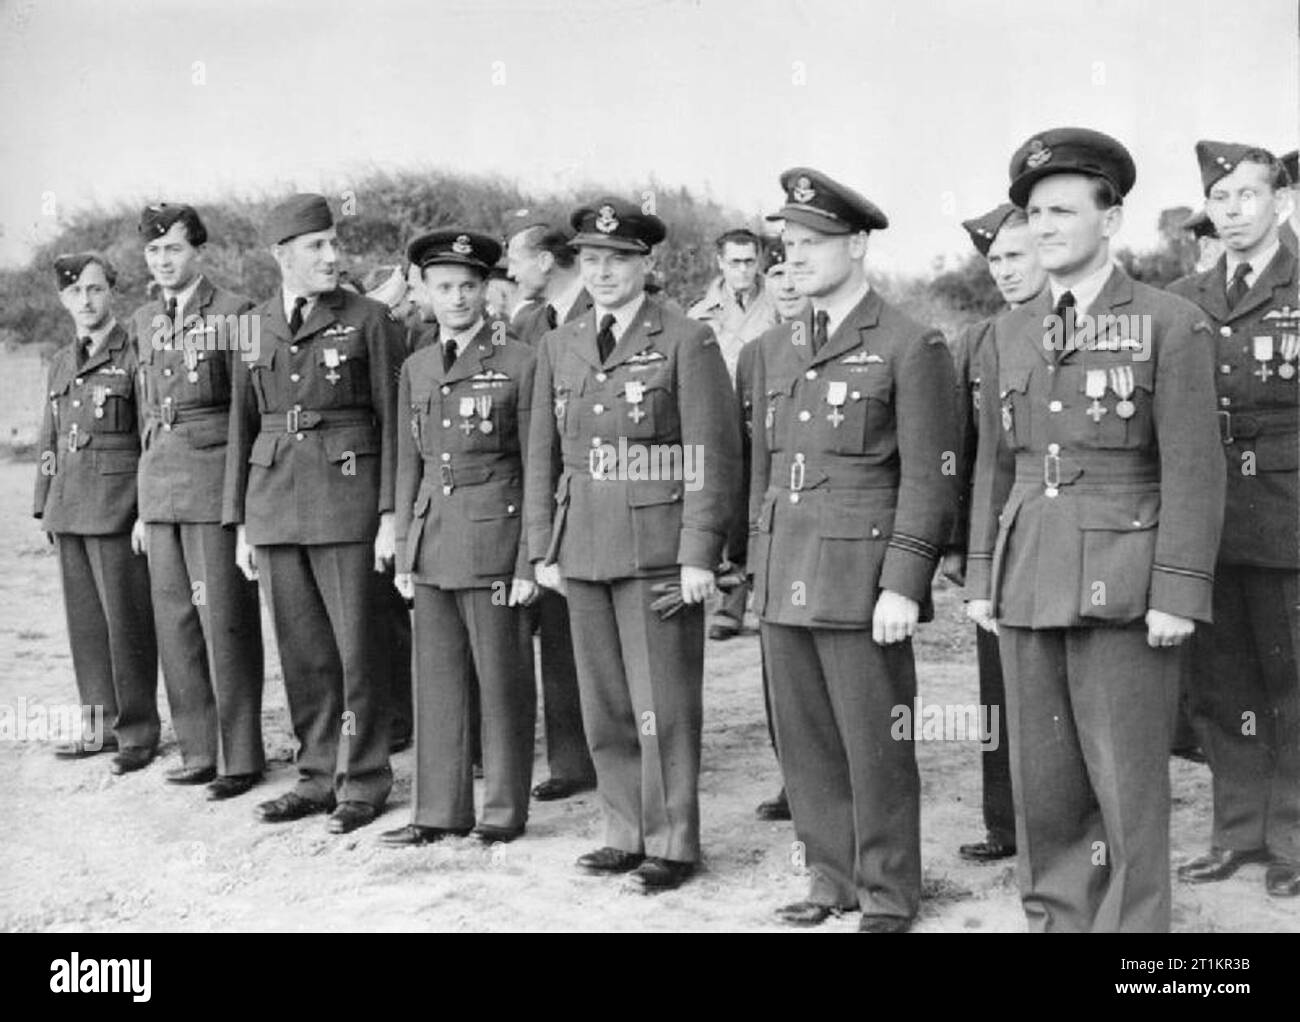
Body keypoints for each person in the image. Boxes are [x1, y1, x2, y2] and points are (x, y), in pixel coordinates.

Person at [966, 128, 1226, 932]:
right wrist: (981, 577)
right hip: (1028, 575)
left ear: (1111, 220)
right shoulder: (1004, 330)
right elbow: (994, 467)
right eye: (1034, 213)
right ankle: (1057, 920)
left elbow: (1194, 468)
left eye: (1063, 211)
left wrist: (1177, 592)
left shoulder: (1169, 323)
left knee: (1125, 783)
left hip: (1126, 579)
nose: (1043, 228)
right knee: (1043, 785)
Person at [748, 167, 959, 933]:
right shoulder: (770, 350)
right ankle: (828, 878)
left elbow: (931, 478)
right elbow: (761, 474)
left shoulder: (910, 344)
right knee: (802, 742)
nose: (794, 257)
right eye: (787, 243)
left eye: (813, 242)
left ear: (859, 244)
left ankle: (888, 892)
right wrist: (755, 568)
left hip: (861, 578)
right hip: (785, 569)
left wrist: (904, 582)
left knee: (876, 744)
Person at [525, 196, 740, 891]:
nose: (604, 271)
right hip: (582, 543)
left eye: (619, 259)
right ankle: (623, 830)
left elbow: (712, 452)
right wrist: (541, 548)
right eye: (591, 259)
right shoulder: (560, 342)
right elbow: (543, 455)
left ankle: (674, 841)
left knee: (663, 705)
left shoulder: (686, 338)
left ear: (646, 264)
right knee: (607, 702)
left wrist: (699, 553)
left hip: (656, 547)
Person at [224, 193, 400, 835]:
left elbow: (395, 424)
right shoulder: (253, 323)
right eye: (316, 247)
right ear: (281, 256)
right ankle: (317, 775)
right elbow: (241, 430)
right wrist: (240, 522)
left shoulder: (371, 319)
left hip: (346, 503)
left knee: (358, 649)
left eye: (333, 243)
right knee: (302, 653)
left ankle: (364, 779)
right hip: (273, 507)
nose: (332, 255)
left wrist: (389, 514)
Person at [1169, 141, 1299, 899]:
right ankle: (1236, 832)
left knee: (1291, 683)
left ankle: (1291, 839)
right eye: (1222, 200)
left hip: (1287, 516)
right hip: (1209, 519)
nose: (1235, 212)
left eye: (1249, 196)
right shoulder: (1186, 295)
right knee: (1222, 688)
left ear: (1279, 203)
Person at [380, 229, 539, 846]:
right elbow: (406, 462)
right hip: (433, 542)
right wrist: (403, 545)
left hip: (494, 543)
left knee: (501, 682)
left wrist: (529, 559)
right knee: (437, 683)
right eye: (443, 287)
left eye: (469, 286)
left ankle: (502, 813)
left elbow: (535, 467)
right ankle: (439, 812)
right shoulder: (417, 365)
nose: (457, 299)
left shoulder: (520, 359)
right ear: (422, 290)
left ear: (488, 290)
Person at [130, 203, 265, 799]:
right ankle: (198, 748)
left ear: (197, 252)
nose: (164, 261)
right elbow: (144, 416)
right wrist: (141, 503)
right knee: (176, 623)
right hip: (160, 490)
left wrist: (240, 510)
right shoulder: (141, 320)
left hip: (213, 488)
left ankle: (241, 757)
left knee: (224, 622)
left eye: (174, 250)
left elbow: (247, 417)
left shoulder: (237, 314)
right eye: (154, 252)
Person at [944, 202, 1047, 863]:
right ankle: (1005, 823)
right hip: (999, 536)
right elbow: (964, 452)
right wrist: (960, 547)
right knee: (996, 686)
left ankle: (1062, 830)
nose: (1006, 272)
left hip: (1062, 527)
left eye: (1017, 257)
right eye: (997, 261)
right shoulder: (979, 342)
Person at [35, 252, 159, 773]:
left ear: (111, 292)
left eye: (94, 290)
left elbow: (150, 435)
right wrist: (44, 503)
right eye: (75, 293)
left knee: (126, 623)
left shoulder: (134, 353)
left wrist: (144, 512)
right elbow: (50, 437)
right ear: (63, 299)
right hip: (69, 508)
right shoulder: (62, 362)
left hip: (116, 509)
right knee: (86, 626)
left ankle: (137, 731)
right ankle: (100, 724)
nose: (85, 302)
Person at [504, 223, 597, 799]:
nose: (511, 273)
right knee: (558, 629)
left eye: (516, 260)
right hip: (543, 488)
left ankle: (617, 751)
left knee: (597, 632)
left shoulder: (603, 307)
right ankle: (571, 761)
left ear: (543, 260)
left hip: (595, 489)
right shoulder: (527, 322)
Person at [735, 240, 809, 822]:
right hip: (776, 527)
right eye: (775, 273)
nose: (785, 284)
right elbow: (750, 455)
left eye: (794, 271)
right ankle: (795, 777)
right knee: (777, 669)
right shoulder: (758, 354)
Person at [689, 229, 779, 643]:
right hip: (717, 419)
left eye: (749, 261)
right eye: (734, 261)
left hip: (765, 417)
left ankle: (766, 597)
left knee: (762, 507)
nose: (743, 269)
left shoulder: (780, 301)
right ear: (719, 263)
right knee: (725, 512)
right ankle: (729, 602)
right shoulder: (699, 313)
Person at [361, 264, 417, 754]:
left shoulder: (393, 332)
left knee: (390, 613)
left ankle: (401, 714)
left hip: (392, 485)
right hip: (363, 484)